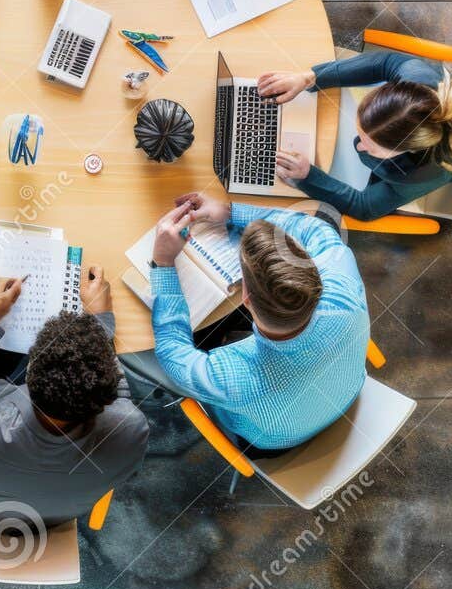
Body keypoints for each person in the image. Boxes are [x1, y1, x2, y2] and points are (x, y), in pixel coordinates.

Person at [136, 194, 369, 452]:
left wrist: (163, 263)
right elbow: (318, 229)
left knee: (190, 341)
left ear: (245, 298)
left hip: (272, 443)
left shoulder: (234, 377)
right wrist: (228, 212)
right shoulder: (343, 289)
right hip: (346, 395)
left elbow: (172, 353)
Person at [0, 270, 149, 529]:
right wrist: (101, 324)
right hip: (52, 522)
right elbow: (122, 398)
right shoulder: (132, 432)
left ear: (29, 372)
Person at [261, 53, 452, 221]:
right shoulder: (414, 81)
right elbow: (383, 63)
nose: (358, 147)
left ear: (407, 151)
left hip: (427, 172)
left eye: (371, 147)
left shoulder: (423, 173)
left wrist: (308, 176)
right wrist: (309, 78)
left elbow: (364, 208)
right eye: (361, 132)